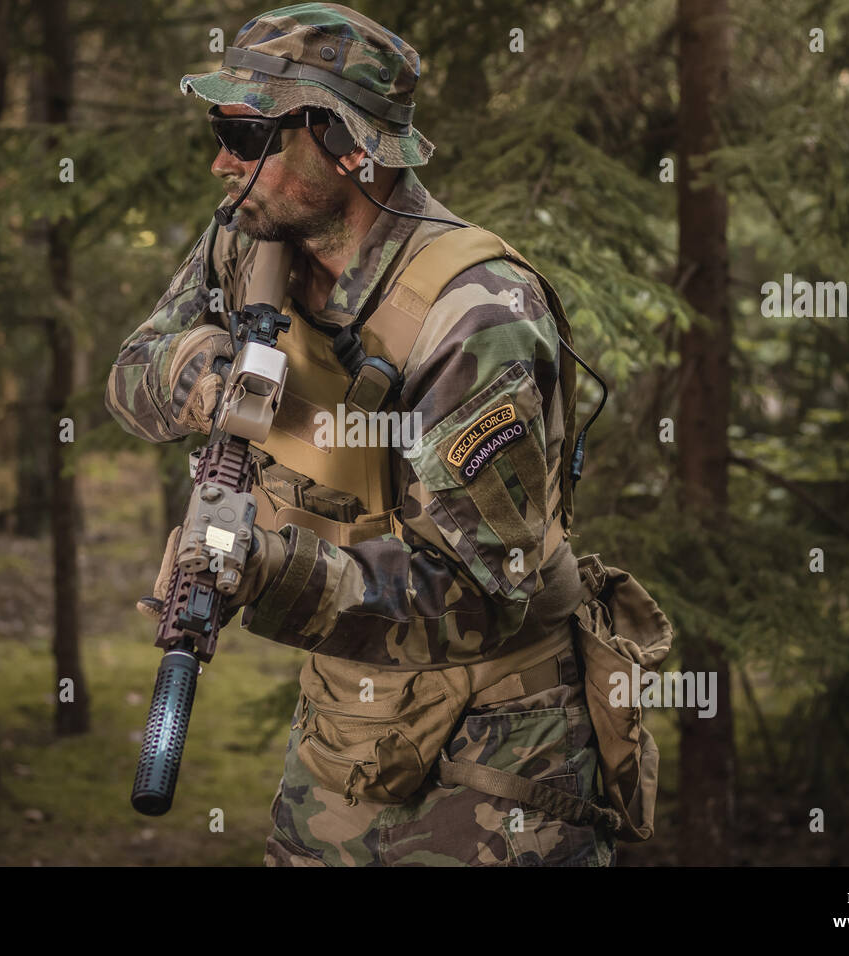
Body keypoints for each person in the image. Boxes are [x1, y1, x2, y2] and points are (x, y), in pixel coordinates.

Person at [106, 2, 615, 866]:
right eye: (216, 124)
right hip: (346, 722)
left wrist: (262, 568)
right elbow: (131, 372)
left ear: (346, 145)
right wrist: (209, 382)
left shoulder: (473, 316)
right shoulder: (250, 237)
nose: (220, 159)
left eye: (246, 131)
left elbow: (487, 597)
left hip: (496, 758)